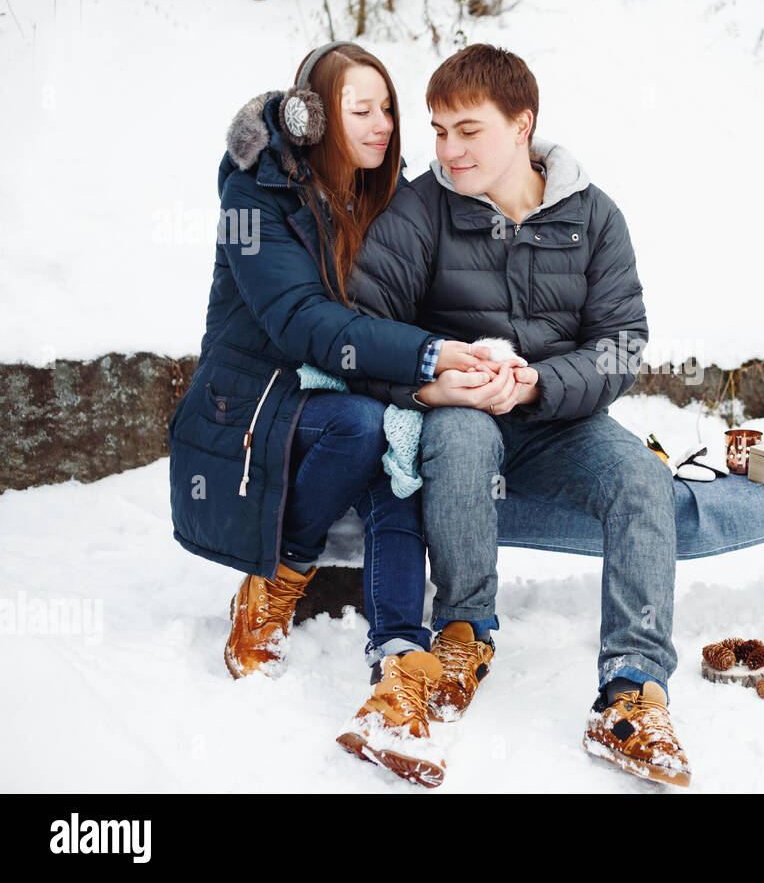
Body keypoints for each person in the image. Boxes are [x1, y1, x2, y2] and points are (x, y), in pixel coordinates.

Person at [348, 43, 690, 787]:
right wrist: (437, 371)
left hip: (558, 422)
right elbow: (364, 329)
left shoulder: (595, 218)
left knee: (641, 477)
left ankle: (633, 689)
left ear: (522, 124)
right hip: (461, 416)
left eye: (467, 130)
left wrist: (537, 382)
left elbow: (620, 346)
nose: (448, 149)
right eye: (438, 131)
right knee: (465, 436)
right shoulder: (421, 209)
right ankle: (466, 630)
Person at [167, 41, 505, 787]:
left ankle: (397, 671)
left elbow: (418, 308)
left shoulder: (384, 198)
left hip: (352, 399)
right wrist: (429, 359)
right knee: (361, 427)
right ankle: (272, 584)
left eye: (388, 107)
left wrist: (471, 367)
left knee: (399, 453)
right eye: (362, 110)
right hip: (254, 411)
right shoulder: (256, 200)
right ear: (313, 119)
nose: (383, 125)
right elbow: (302, 325)